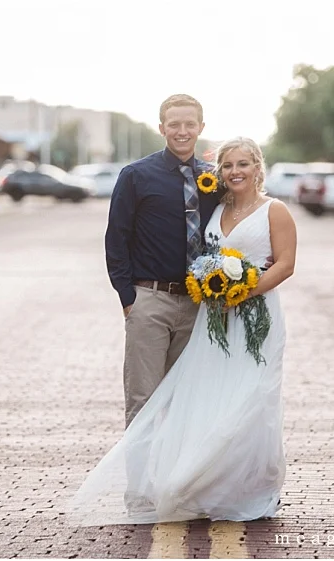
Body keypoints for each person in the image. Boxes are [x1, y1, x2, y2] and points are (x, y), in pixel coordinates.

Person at [70, 136, 297, 525]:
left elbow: (285, 265)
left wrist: (242, 292)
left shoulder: (275, 211)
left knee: (252, 398)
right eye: (228, 165)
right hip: (212, 319)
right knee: (211, 397)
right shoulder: (216, 205)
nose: (235, 172)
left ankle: (254, 487)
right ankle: (204, 485)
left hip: (255, 316)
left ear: (259, 167)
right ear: (219, 172)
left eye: (244, 164)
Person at [104, 94, 222, 429]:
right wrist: (129, 299)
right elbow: (116, 239)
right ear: (162, 128)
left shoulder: (214, 180)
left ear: (200, 128)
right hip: (150, 301)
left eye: (189, 124)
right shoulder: (136, 176)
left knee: (187, 400)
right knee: (144, 402)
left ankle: (175, 480)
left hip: (199, 306)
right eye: (174, 125)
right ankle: (141, 481)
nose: (182, 131)